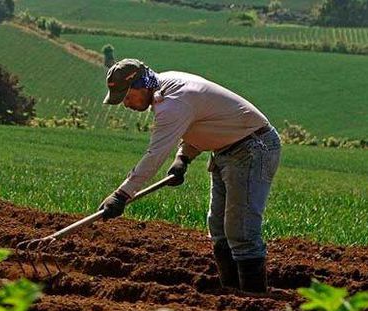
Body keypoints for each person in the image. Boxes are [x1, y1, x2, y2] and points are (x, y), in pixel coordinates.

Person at [98, 58, 281, 294]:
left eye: (126, 96)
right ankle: (233, 293)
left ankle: (254, 298)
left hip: (253, 148)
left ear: (140, 86)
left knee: (241, 231)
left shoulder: (172, 103)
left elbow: (155, 155)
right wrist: (183, 158)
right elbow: (205, 121)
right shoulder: (167, 86)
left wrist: (122, 194)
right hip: (226, 151)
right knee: (218, 227)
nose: (125, 104)